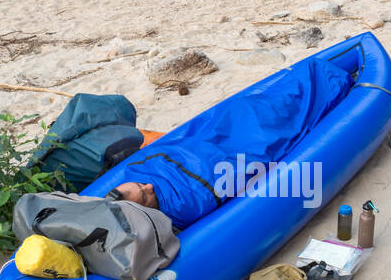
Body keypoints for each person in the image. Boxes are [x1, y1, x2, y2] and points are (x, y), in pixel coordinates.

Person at [109, 58, 353, 229]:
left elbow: (178, 146)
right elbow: (228, 174)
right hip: (230, 155)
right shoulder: (184, 205)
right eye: (144, 194)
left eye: (141, 184)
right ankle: (327, 82)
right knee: (276, 119)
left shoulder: (135, 172)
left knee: (241, 110)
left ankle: (315, 79)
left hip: (211, 139)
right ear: (144, 211)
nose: (149, 187)